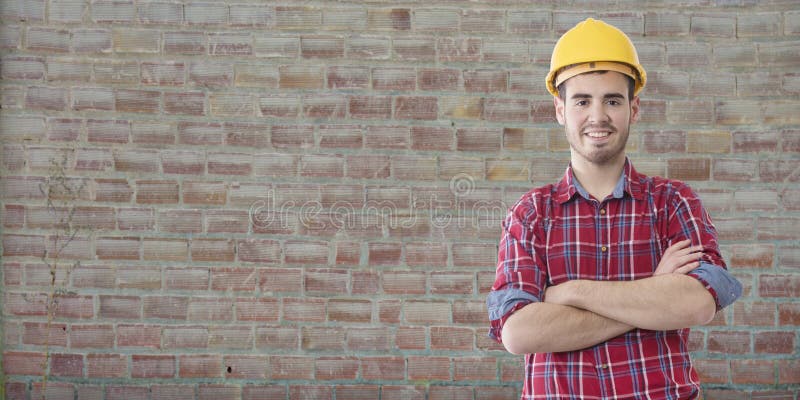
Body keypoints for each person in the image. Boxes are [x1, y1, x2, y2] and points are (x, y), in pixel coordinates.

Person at [486, 18, 742, 399]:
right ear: (560, 110)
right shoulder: (531, 214)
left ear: (633, 109)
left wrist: (569, 292)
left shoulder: (673, 203)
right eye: (582, 100)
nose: (598, 116)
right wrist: (653, 294)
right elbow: (519, 332)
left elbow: (698, 303)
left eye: (612, 100)